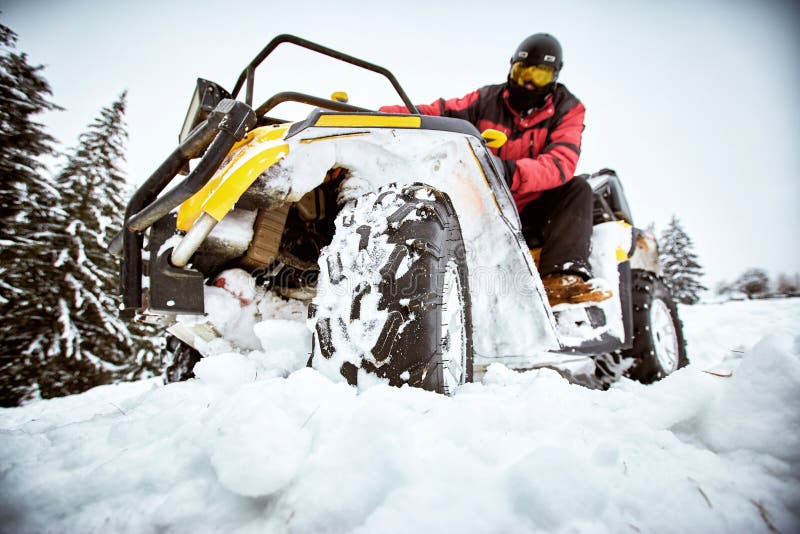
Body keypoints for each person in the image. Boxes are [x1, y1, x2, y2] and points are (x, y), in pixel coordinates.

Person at [380, 33, 611, 306]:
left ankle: (562, 278)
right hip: (487, 203)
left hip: (533, 209)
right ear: (512, 66)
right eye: (523, 71)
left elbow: (561, 162)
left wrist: (510, 172)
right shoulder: (487, 99)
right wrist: (381, 115)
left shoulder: (567, 109)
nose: (527, 82)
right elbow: (435, 112)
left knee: (577, 188)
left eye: (539, 76)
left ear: (554, 78)